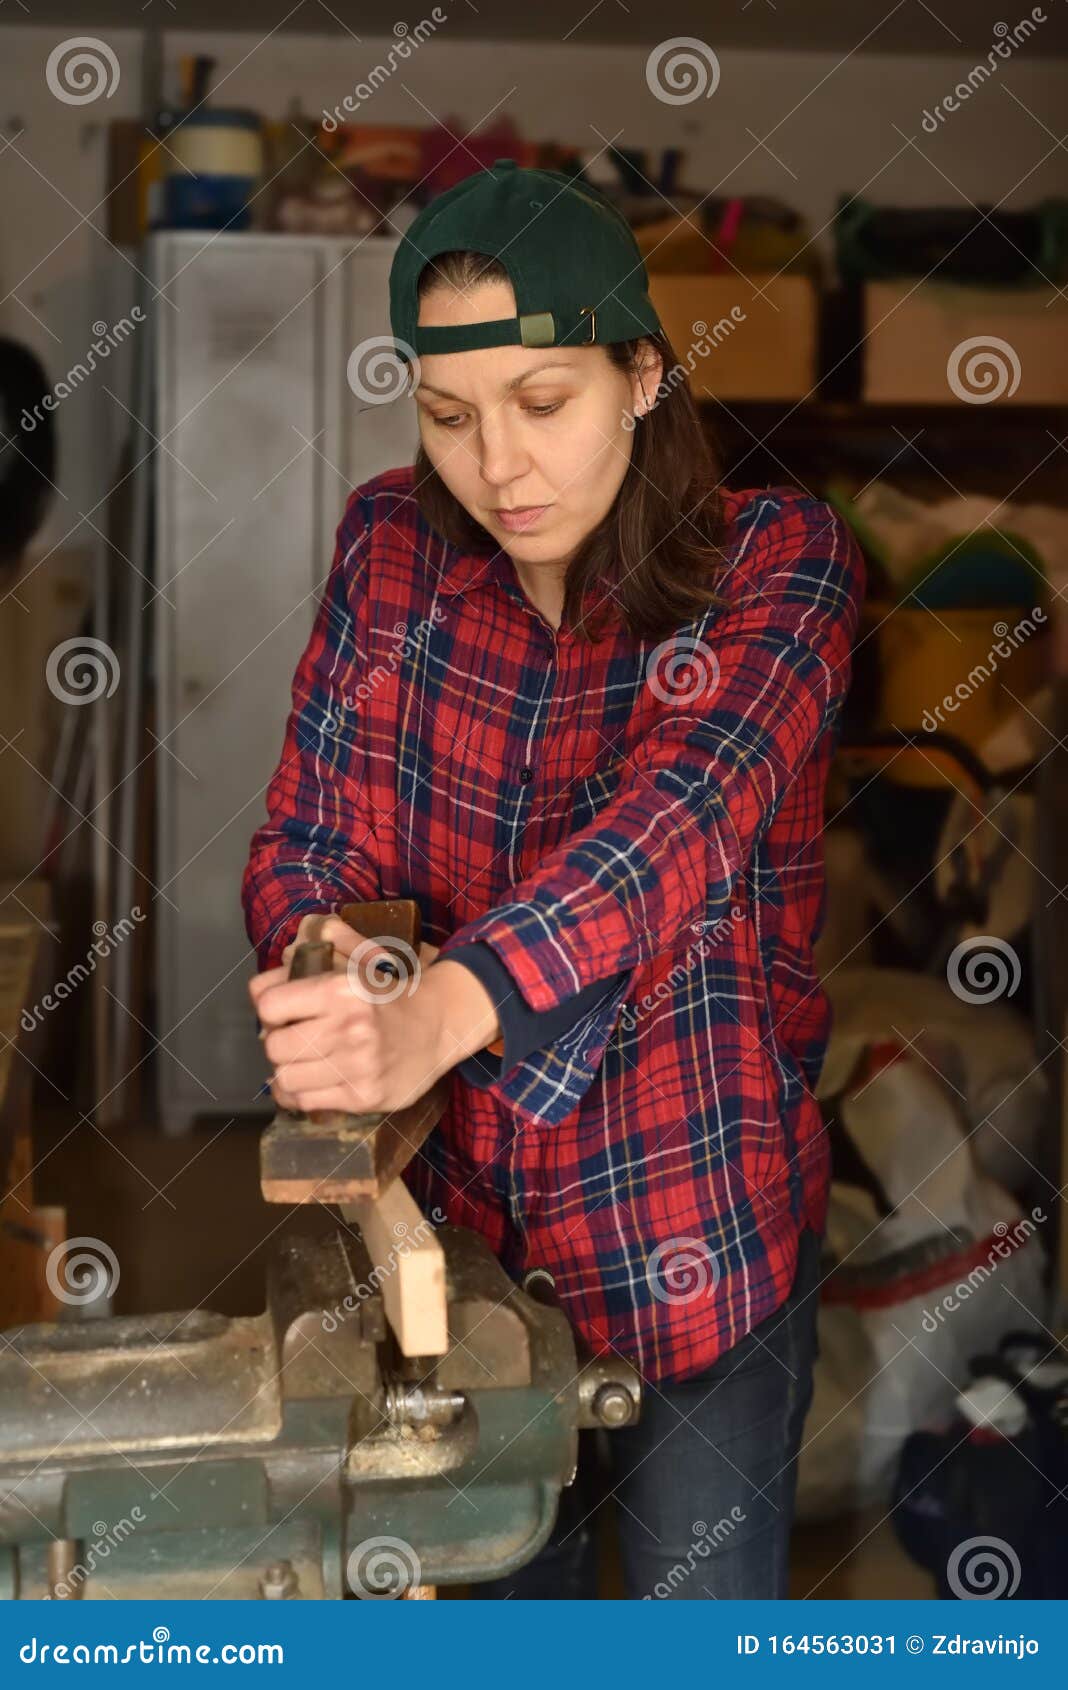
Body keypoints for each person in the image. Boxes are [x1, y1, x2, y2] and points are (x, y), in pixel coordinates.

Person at [242, 158, 865, 1599]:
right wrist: (339, 973)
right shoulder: (391, 547)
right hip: (459, 1261)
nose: (498, 467)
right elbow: (304, 838)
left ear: (642, 374)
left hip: (690, 1233)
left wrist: (441, 1009)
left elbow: (669, 833)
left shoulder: (783, 568)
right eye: (449, 417)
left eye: (543, 404)